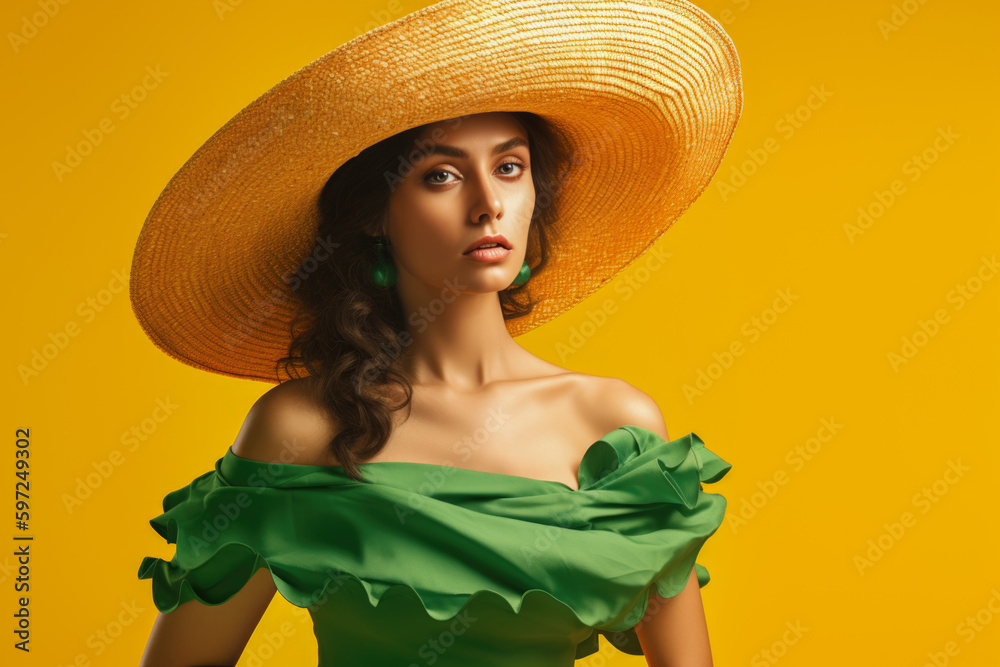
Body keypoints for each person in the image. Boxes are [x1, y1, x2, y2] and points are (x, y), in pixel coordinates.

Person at [130, 1, 743, 665]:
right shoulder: (299, 427)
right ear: (373, 214)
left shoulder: (614, 428)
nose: (488, 204)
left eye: (509, 166)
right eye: (441, 175)